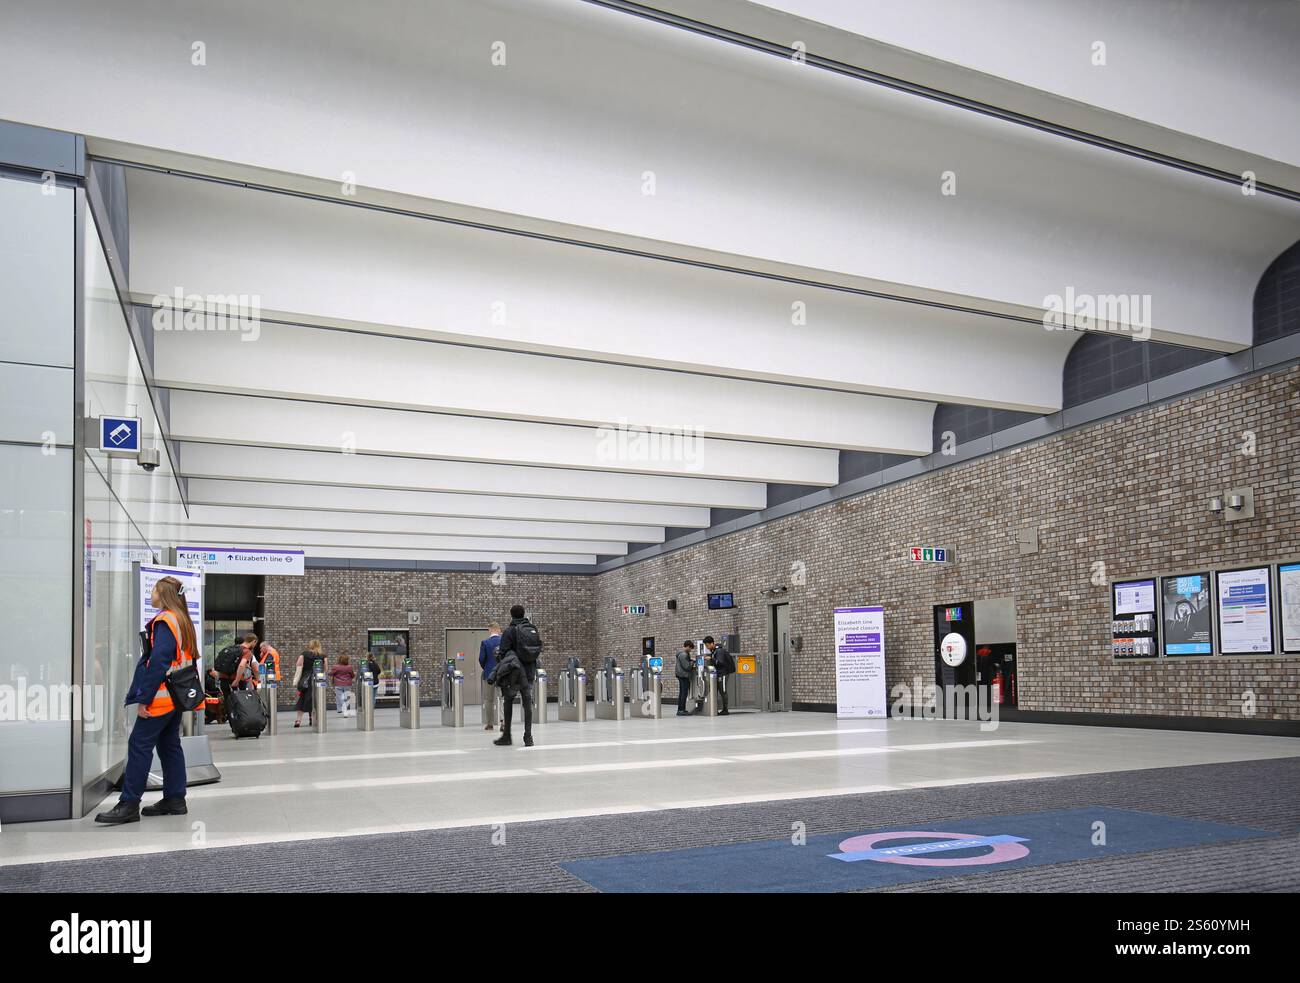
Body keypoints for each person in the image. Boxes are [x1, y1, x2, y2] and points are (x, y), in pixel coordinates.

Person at [95, 576, 198, 824]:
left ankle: (129, 804)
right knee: (169, 745)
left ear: (163, 594)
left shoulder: (165, 620)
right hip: (176, 697)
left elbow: (158, 663)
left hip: (161, 698)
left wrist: (145, 698)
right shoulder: (183, 620)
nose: (151, 594)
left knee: (139, 745)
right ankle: (175, 799)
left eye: (153, 590)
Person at [492, 605, 543, 747]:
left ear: (511, 615)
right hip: (529, 672)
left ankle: (507, 736)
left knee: (508, 701)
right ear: (523, 614)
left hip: (513, 673)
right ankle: (528, 737)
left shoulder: (510, 631)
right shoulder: (532, 629)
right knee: (527, 704)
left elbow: (503, 653)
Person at [292, 639, 325, 728]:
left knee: (302, 699)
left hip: (305, 681)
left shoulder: (304, 654)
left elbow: (298, 666)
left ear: (310, 645)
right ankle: (312, 718)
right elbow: (325, 669)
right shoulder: (322, 656)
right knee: (314, 699)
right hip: (317, 680)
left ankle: (298, 720)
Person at [478, 622, 502, 732]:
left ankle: (490, 724)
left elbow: (481, 659)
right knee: (503, 698)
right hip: (503, 674)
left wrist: (487, 668)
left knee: (488, 700)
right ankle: (504, 722)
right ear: (499, 630)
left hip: (489, 675)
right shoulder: (504, 642)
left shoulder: (485, 643)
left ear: (489, 630)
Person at [703, 636, 735, 714]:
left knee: (723, 691)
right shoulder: (714, 651)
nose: (707, 647)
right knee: (718, 691)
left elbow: (720, 662)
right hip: (718, 673)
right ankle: (715, 708)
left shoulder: (719, 651)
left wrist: (710, 659)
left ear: (712, 643)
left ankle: (725, 710)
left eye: (707, 645)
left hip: (723, 673)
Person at [674, 640, 696, 716]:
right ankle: (681, 710)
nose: (690, 650)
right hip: (684, 675)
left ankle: (680, 709)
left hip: (681, 675)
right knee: (684, 693)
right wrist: (692, 662)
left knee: (682, 693)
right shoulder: (684, 655)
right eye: (690, 648)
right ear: (687, 646)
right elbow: (687, 666)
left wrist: (690, 660)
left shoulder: (682, 654)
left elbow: (685, 663)